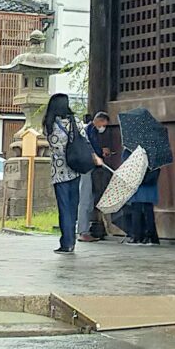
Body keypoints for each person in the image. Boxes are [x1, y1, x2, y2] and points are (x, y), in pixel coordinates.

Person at [41, 92, 99, 254]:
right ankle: (71, 241)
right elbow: (85, 142)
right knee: (73, 206)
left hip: (59, 171)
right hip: (75, 168)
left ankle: (66, 242)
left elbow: (51, 144)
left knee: (64, 207)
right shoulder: (76, 122)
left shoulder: (49, 124)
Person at [85, 111, 122, 241]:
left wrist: (102, 151)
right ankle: (88, 227)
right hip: (90, 166)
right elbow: (90, 147)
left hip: (98, 165)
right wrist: (99, 153)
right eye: (103, 124)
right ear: (99, 120)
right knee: (90, 197)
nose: (103, 127)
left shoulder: (94, 131)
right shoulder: (88, 130)